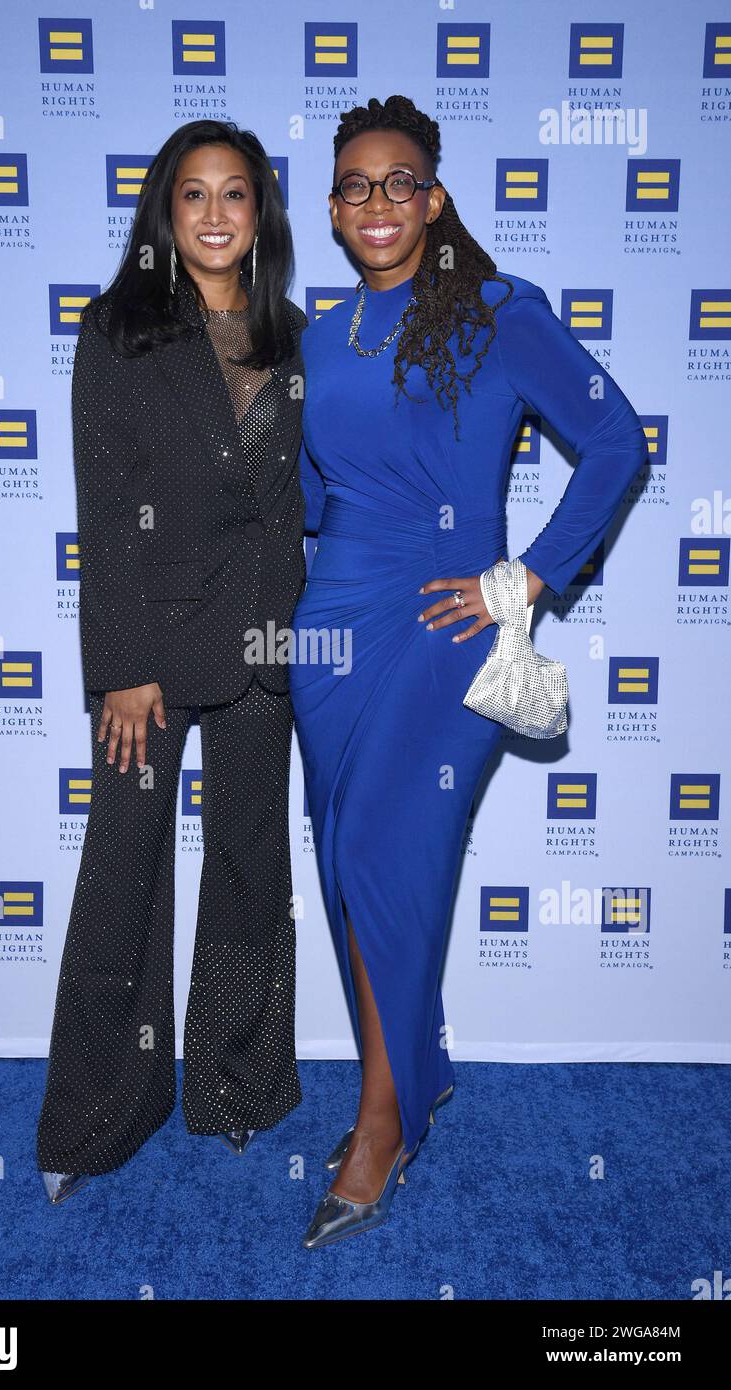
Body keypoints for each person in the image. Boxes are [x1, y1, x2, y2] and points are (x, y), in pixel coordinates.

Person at [290, 95, 647, 1248]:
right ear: (335, 213)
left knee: (373, 853)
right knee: (348, 871)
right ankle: (414, 1074)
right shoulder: (316, 334)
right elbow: (305, 497)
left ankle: (382, 1120)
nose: (378, 201)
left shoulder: (496, 312)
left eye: (400, 181)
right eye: (356, 185)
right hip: (328, 628)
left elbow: (615, 438)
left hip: (444, 623)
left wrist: (528, 577)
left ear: (433, 200)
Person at [36, 120, 309, 1203]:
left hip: (263, 639)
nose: (211, 214)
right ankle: (97, 1113)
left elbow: (297, 498)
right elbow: (104, 513)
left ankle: (236, 1087)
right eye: (190, 194)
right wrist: (126, 664)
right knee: (123, 876)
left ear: (259, 215)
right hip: (150, 649)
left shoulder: (293, 335)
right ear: (163, 212)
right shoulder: (118, 332)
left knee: (250, 873)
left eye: (233, 194)